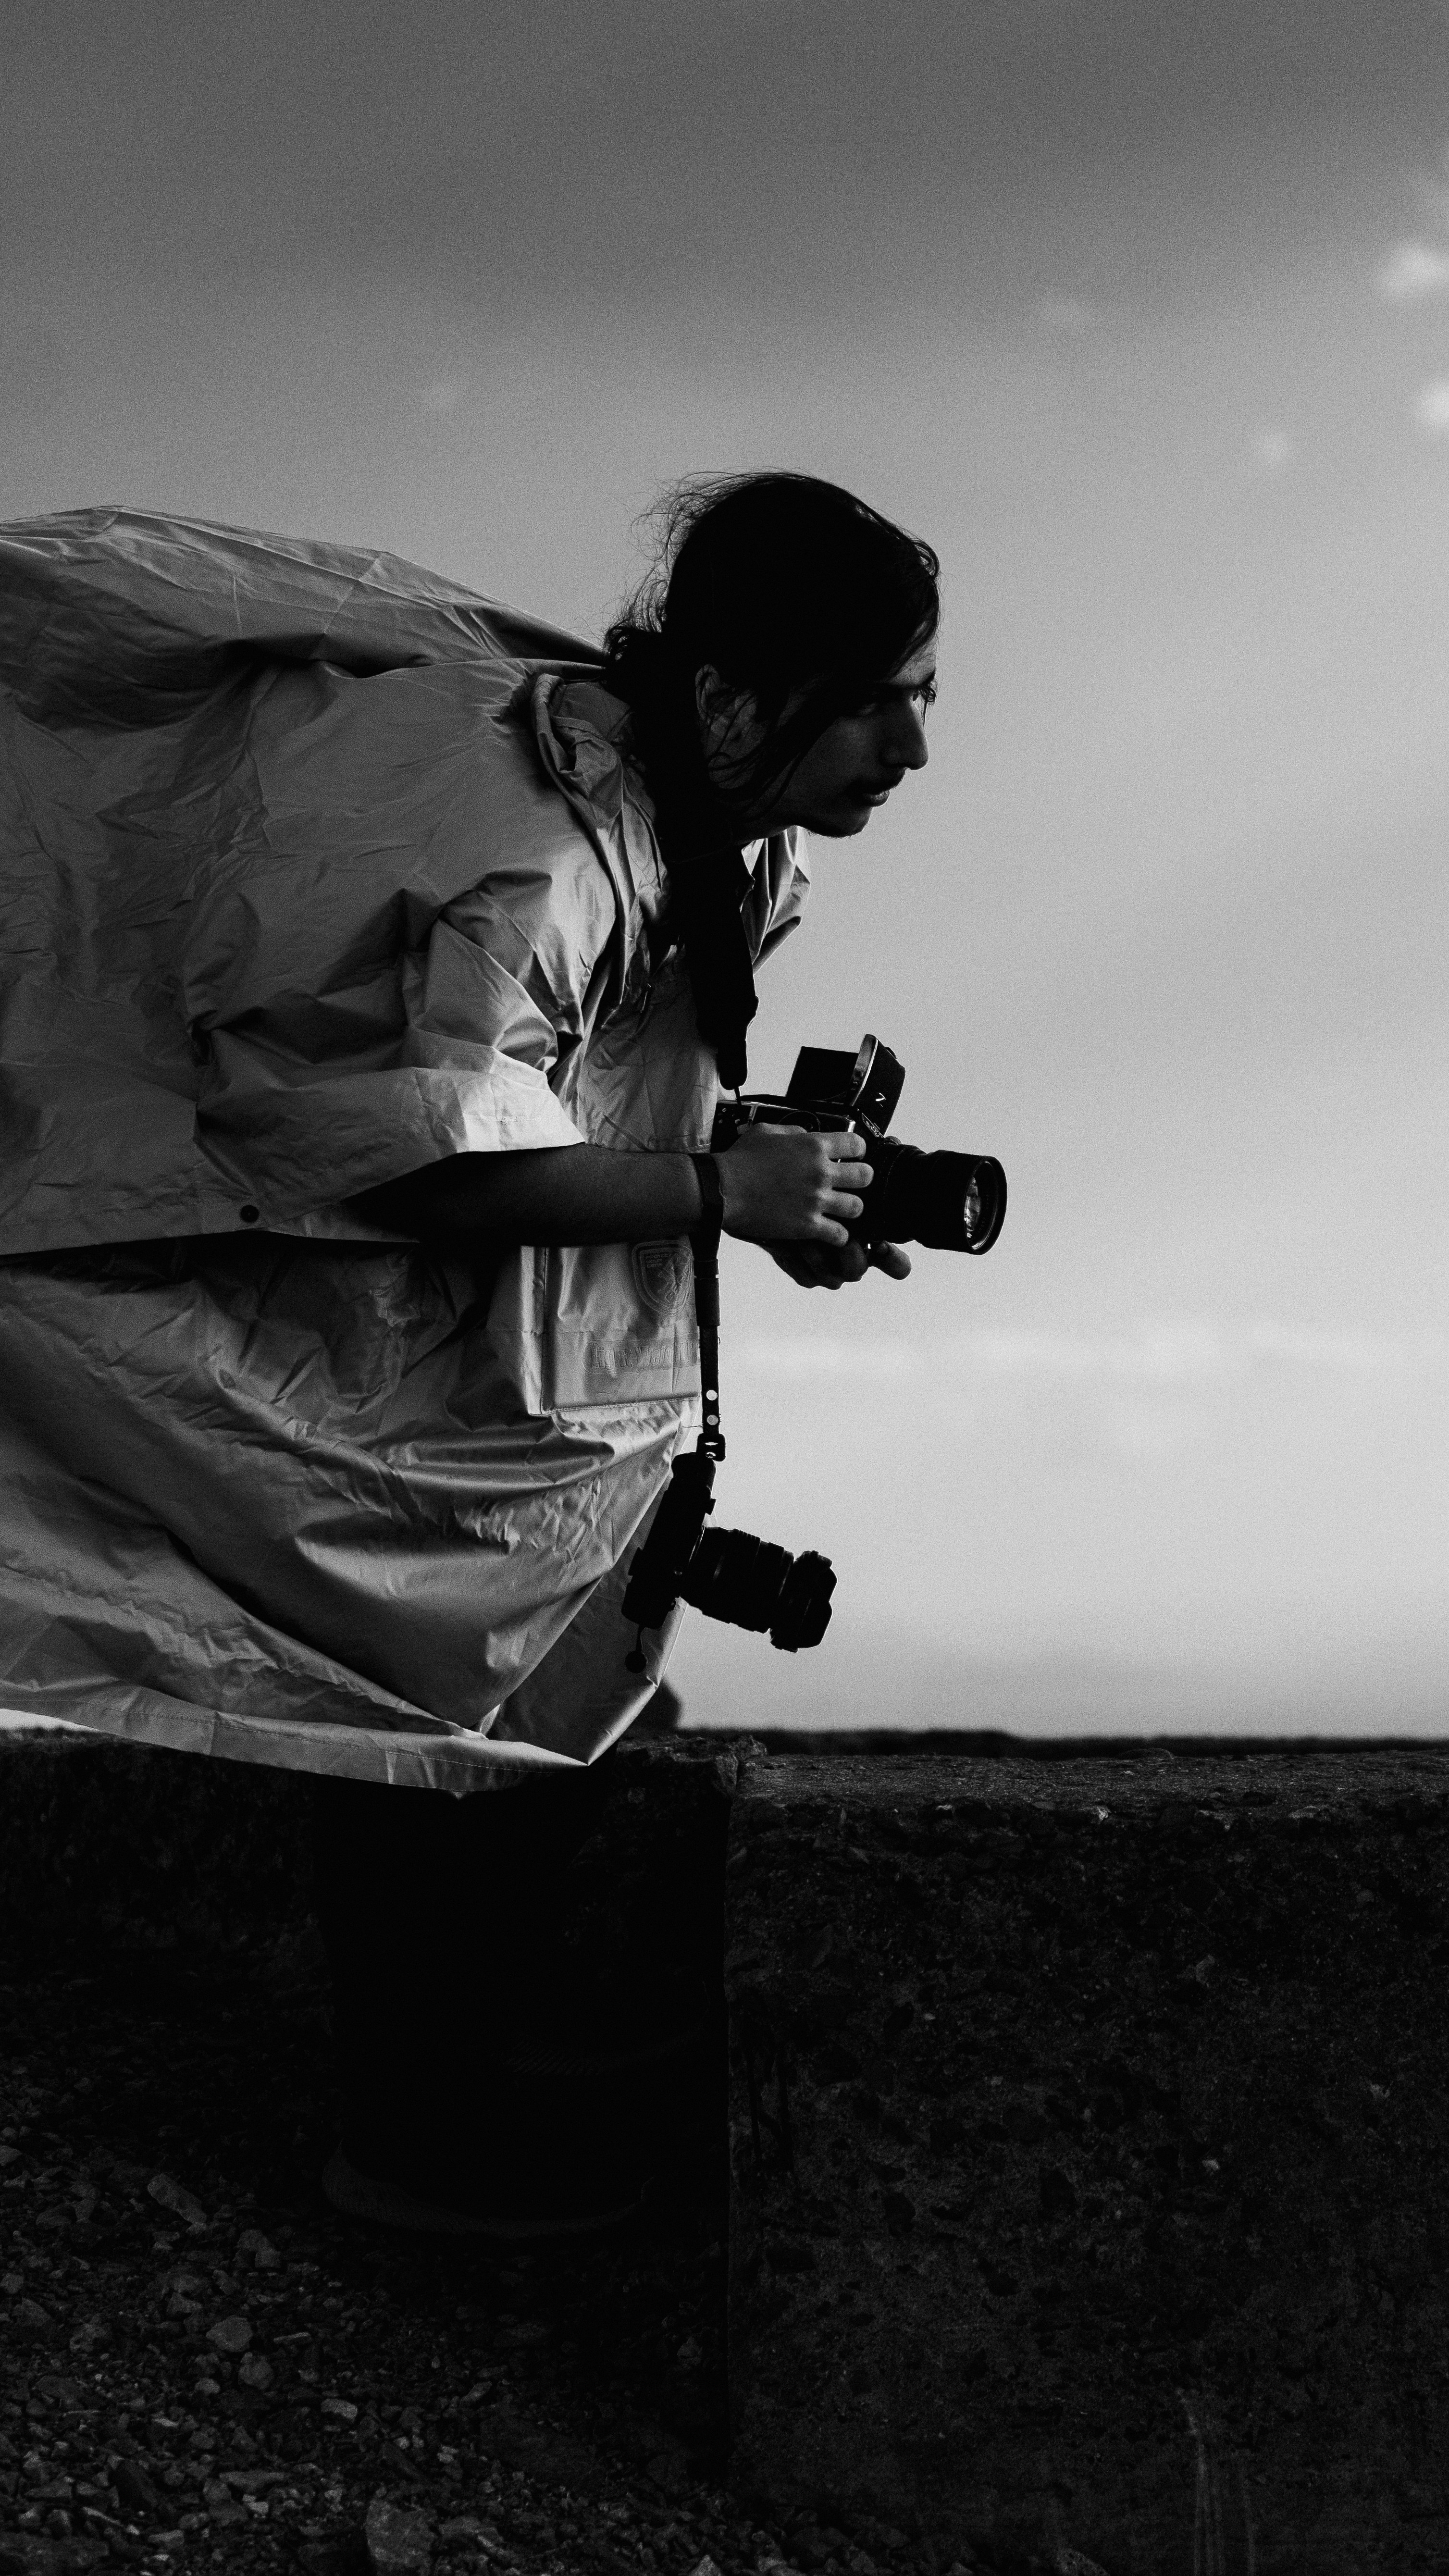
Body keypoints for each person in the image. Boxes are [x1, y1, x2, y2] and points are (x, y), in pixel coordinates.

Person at [0, 474, 939, 2231]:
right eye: (879, 697)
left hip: (505, 1369)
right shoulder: (534, 833)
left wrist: (764, 1192)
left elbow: (570, 1086)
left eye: (923, 702)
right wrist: (715, 1189)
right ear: (742, 693)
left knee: (517, 1671)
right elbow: (403, 1149)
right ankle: (418, 2148)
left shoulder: (706, 824)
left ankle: (473, 2075)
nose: (909, 745)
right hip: (351, 1335)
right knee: (426, 1683)